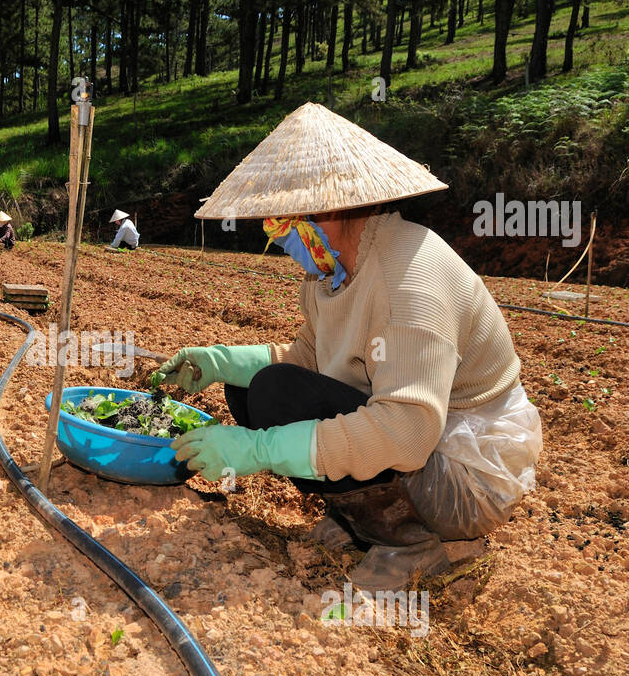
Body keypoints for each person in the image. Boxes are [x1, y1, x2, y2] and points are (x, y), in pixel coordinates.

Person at [164, 103, 542, 591]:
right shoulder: (332, 272)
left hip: (464, 477)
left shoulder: (407, 277)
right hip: (426, 452)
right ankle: (363, 520)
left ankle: (408, 541)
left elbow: (407, 430)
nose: (278, 239)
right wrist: (218, 362)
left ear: (327, 210)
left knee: (278, 398)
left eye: (283, 225)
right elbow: (307, 361)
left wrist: (259, 449)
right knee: (256, 390)